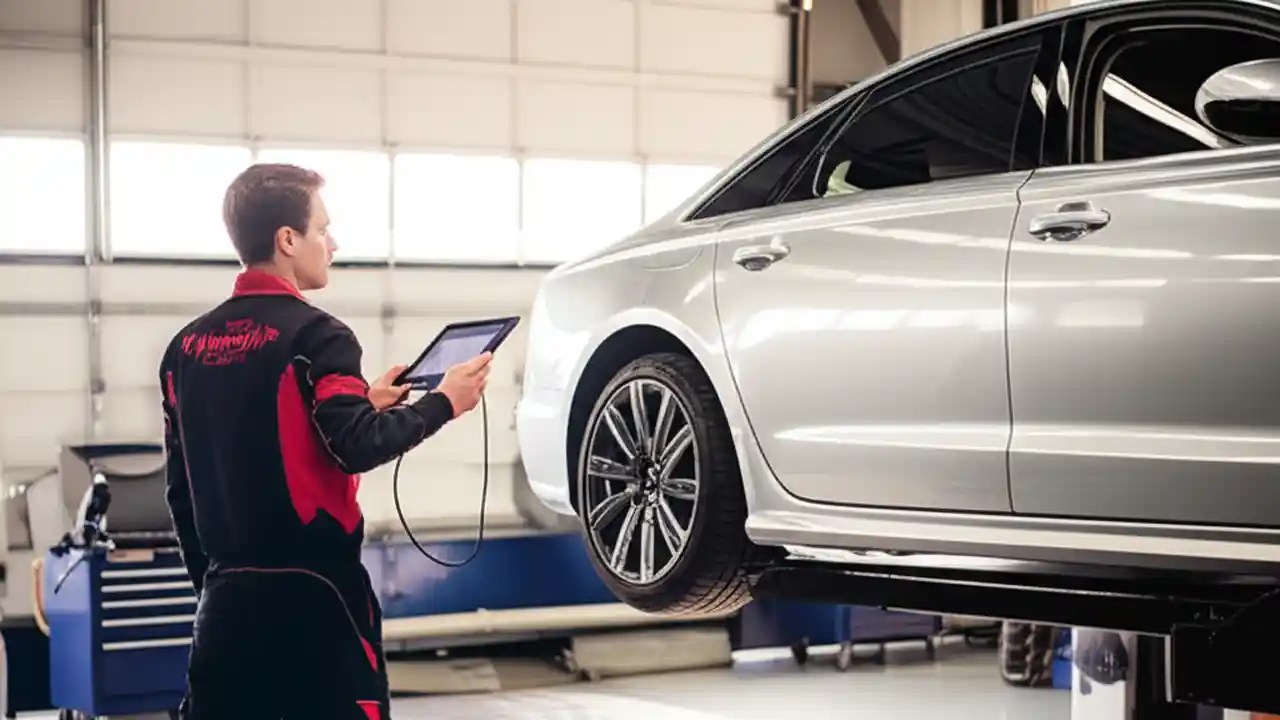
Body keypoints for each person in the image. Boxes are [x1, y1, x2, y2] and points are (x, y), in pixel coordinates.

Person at [158, 163, 491, 719]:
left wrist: (214, 589)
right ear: (287, 239)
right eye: (322, 230)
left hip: (225, 606)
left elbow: (181, 489)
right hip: (317, 600)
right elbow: (357, 446)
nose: (331, 243)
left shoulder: (184, 350)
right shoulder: (319, 335)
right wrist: (445, 402)